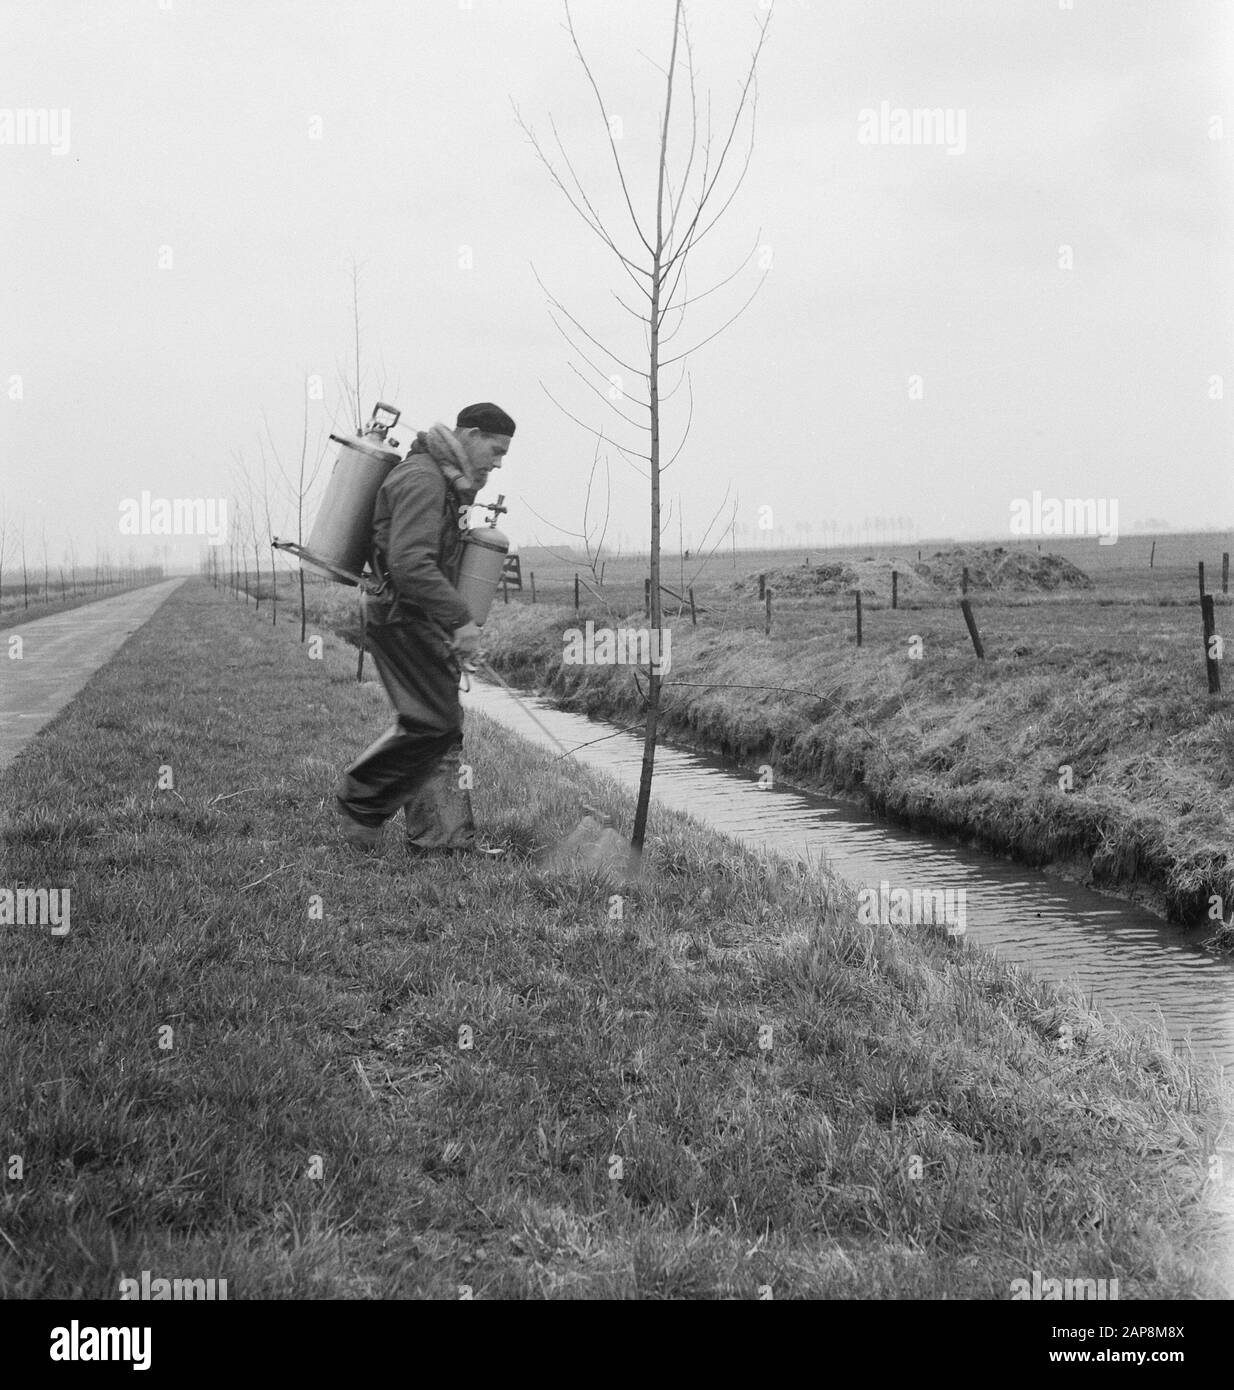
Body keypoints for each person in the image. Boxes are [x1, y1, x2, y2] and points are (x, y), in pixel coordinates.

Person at [334, 402, 516, 855]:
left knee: (436, 725)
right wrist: (459, 620)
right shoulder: (422, 479)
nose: (497, 463)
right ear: (470, 434)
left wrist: (452, 625)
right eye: (495, 451)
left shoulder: (445, 481)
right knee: (433, 723)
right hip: (400, 617)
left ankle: (439, 839)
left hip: (417, 617)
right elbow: (410, 563)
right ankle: (362, 802)